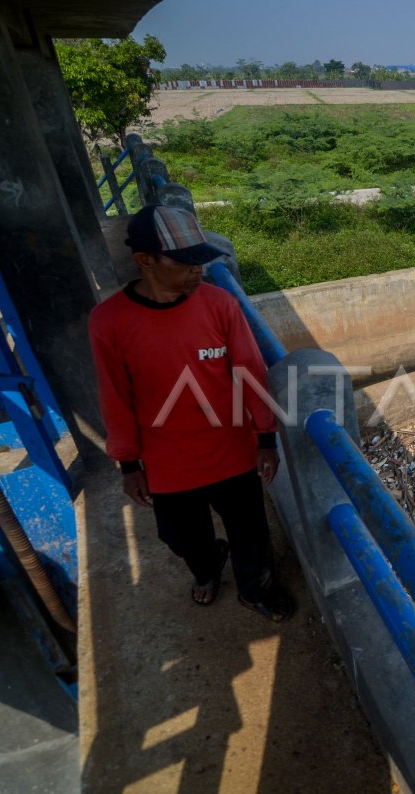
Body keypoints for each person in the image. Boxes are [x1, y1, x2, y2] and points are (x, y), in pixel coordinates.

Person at [88, 204, 293, 622]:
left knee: (251, 531)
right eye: (185, 263)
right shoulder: (109, 322)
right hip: (167, 462)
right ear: (144, 261)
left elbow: (251, 372)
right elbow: (115, 396)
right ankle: (208, 565)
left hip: (231, 450)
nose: (198, 271)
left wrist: (266, 437)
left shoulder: (219, 305)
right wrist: (129, 463)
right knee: (180, 536)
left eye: (201, 260)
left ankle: (255, 589)